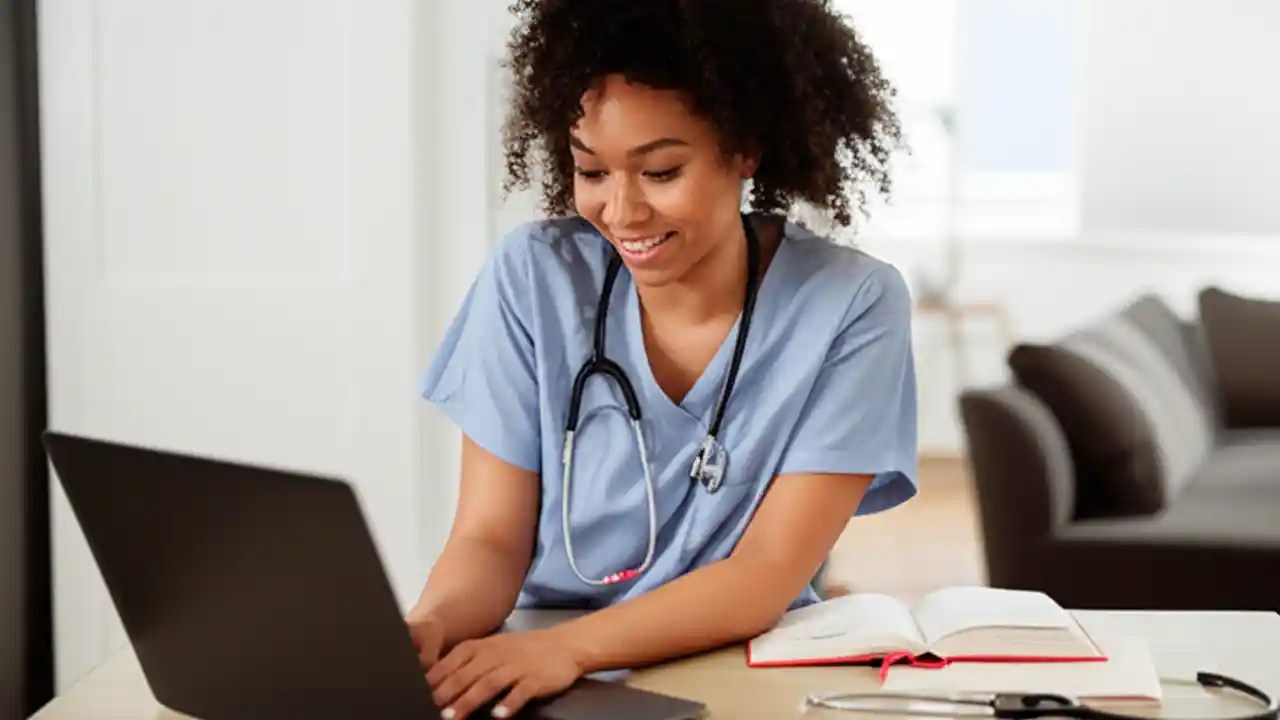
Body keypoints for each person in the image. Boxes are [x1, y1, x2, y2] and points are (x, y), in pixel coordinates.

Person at [407, 1, 917, 717]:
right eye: (591, 170)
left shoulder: (852, 303)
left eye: (661, 171)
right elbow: (488, 539)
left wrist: (572, 649)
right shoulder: (534, 278)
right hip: (538, 667)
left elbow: (766, 573)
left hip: (733, 668)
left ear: (745, 148)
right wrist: (429, 626)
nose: (621, 212)